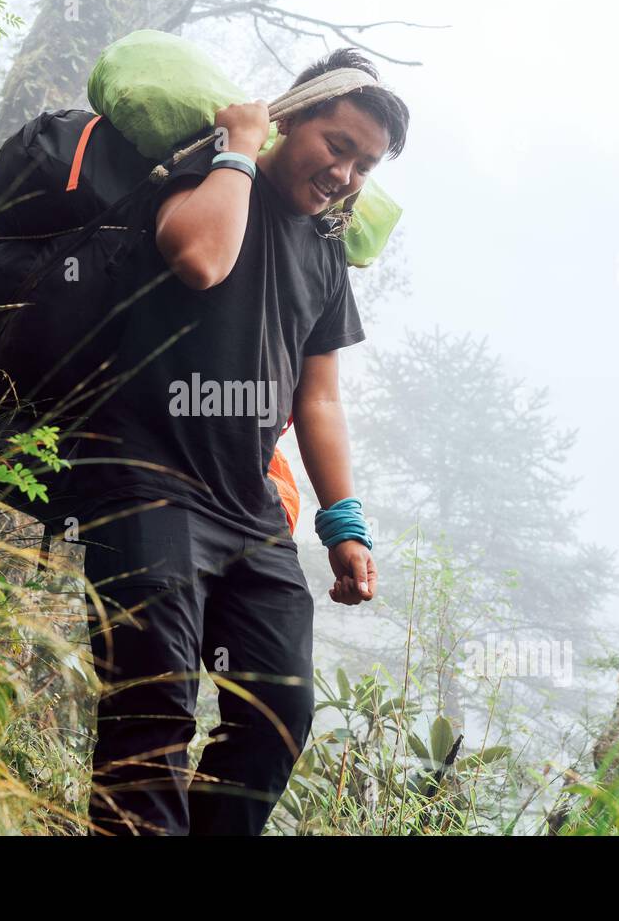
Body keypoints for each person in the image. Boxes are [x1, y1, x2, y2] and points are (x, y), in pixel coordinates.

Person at [70, 48, 409, 835]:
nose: (346, 174)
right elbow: (199, 257)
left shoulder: (326, 250)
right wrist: (236, 150)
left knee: (278, 713)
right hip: (145, 477)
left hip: (249, 506)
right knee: (151, 706)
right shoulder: (209, 176)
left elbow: (317, 396)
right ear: (290, 119)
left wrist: (344, 523)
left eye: (365, 163)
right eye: (337, 145)